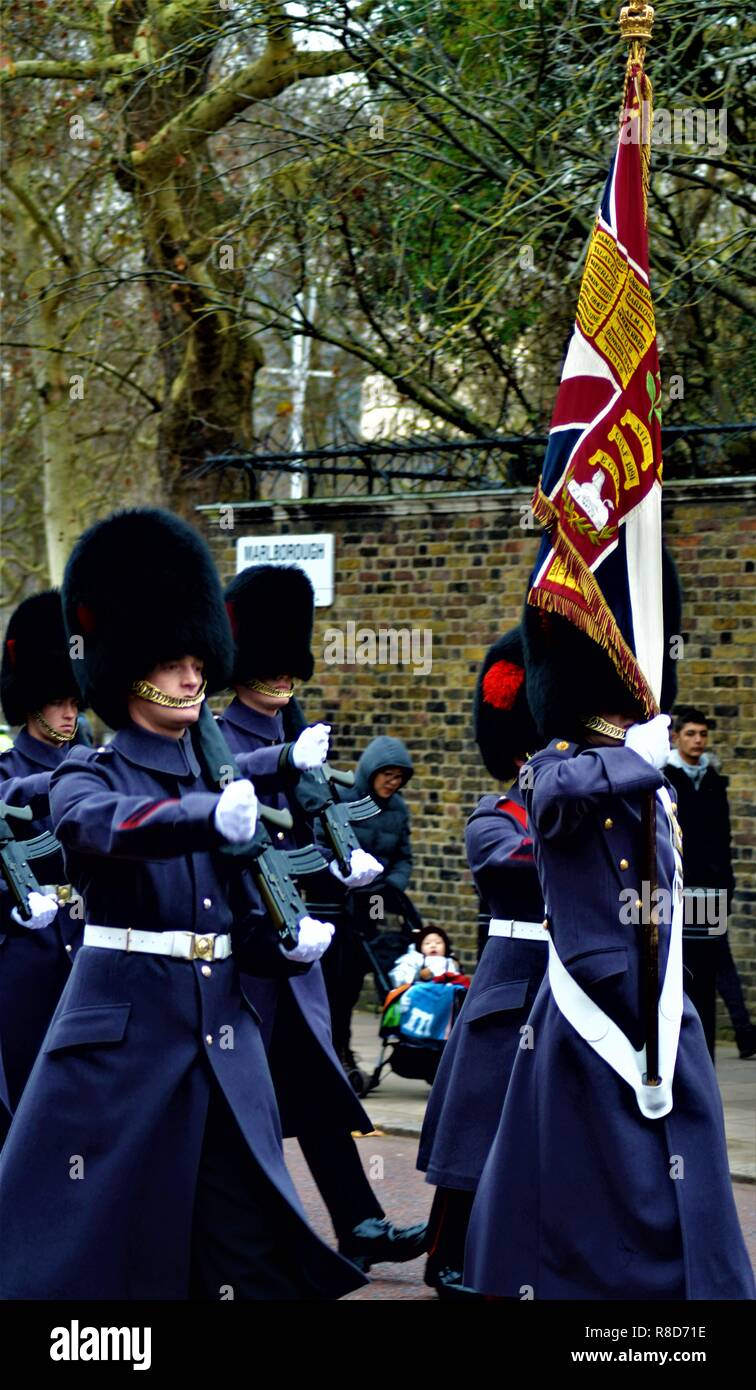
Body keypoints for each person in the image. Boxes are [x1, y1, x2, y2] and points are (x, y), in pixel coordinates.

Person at [0, 508, 365, 1301]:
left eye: (198, 659)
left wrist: (285, 946)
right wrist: (208, 817)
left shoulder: (216, 778)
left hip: (222, 1047)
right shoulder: (86, 775)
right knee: (108, 1259)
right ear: (127, 668)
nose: (193, 677)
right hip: (125, 1053)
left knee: (245, 1254)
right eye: (170, 663)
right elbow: (106, 829)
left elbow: (233, 917)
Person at [464, 603, 755, 1300]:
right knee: (587, 1179)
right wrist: (635, 759)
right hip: (589, 1002)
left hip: (658, 996)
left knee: (686, 1155)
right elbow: (556, 797)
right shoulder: (557, 765)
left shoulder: (647, 770)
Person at [219, 562, 428, 1272]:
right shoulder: (224, 731)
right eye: (269, 665)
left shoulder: (297, 727)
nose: (282, 679)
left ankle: (361, 1224)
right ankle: (254, 1240)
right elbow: (218, 785)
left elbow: (319, 817)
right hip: (248, 948)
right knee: (245, 1107)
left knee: (314, 1089)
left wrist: (347, 856)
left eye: (288, 667)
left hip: (302, 946)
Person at [417, 628, 547, 1300]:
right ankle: (447, 1256)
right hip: (509, 988)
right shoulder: (494, 814)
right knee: (474, 1139)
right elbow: (511, 864)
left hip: (569, 988)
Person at [0, 591, 85, 1137]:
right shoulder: (7, 773)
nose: (70, 711)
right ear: (33, 703)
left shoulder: (95, 769)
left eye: (75, 701)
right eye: (59, 701)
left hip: (88, 952)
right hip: (27, 956)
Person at [666, 706, 756, 1060]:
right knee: (697, 961)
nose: (698, 740)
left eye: (703, 734)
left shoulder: (713, 779)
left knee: (714, 957)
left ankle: (736, 1032)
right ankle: (739, 1031)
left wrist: (726, 883)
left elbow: (724, 836)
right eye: (691, 733)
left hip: (709, 886)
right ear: (676, 737)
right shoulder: (665, 777)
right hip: (676, 885)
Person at [325, 735, 417, 1066]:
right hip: (342, 904)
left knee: (387, 975)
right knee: (342, 985)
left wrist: (391, 885)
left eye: (399, 777)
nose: (393, 783)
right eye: (387, 774)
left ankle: (406, 1049)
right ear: (371, 771)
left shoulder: (398, 809)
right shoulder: (343, 799)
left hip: (377, 905)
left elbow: (404, 857)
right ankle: (339, 1049)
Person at [390, 926, 462, 986]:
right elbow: (398, 978)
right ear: (420, 947)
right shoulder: (413, 959)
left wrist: (456, 968)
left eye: (438, 943)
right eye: (427, 943)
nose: (433, 946)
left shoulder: (449, 962)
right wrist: (418, 975)